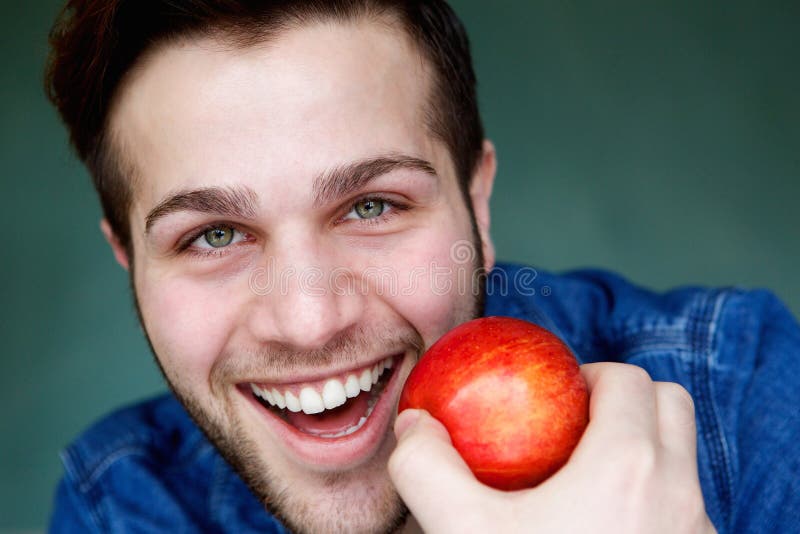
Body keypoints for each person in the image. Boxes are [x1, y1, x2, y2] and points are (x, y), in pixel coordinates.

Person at [44, 1, 799, 533]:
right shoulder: (124, 504)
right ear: (129, 259)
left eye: (372, 206)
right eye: (212, 235)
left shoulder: (740, 390)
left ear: (478, 201)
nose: (311, 321)